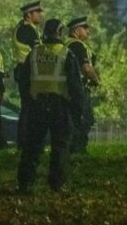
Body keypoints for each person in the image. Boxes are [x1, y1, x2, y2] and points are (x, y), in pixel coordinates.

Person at [16, 19, 85, 193]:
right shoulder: (66, 54)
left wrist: (28, 101)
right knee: (60, 146)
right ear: (60, 32)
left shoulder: (34, 53)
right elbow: (75, 85)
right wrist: (78, 110)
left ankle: (25, 183)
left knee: (32, 146)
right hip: (60, 106)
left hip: (36, 105)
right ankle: (57, 184)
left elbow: (23, 80)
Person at [12, 0, 45, 147]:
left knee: (28, 107)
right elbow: (39, 52)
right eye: (37, 12)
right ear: (29, 15)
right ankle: (26, 142)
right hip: (28, 71)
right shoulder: (27, 30)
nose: (40, 15)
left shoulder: (24, 28)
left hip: (24, 70)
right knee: (30, 108)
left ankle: (25, 142)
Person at [65, 16, 99, 153]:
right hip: (79, 87)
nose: (88, 31)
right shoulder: (77, 45)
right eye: (85, 28)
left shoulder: (67, 44)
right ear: (77, 30)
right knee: (85, 118)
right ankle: (78, 148)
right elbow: (86, 68)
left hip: (70, 87)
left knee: (76, 119)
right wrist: (96, 80)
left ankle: (76, 148)